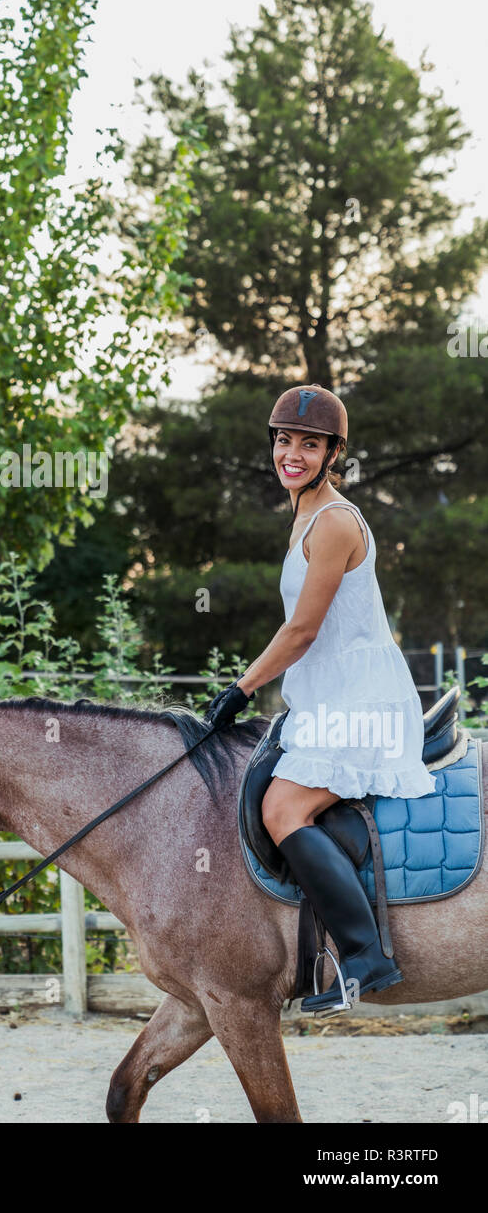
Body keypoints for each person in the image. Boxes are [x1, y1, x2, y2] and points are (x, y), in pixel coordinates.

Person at [206, 384, 436, 1011]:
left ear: (333, 453)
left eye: (310, 445)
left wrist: (239, 688)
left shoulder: (333, 522)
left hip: (363, 703)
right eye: (284, 441)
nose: (293, 455)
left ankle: (366, 957)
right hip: (326, 697)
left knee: (282, 810)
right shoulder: (303, 515)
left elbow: (303, 630)